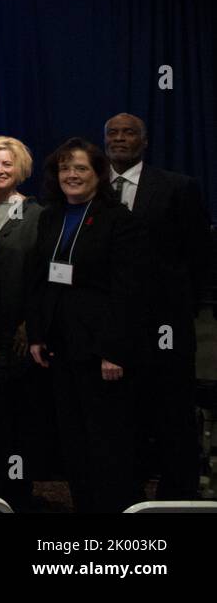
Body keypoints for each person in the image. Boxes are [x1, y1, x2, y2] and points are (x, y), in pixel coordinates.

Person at [28, 138, 147, 513]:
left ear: (99, 174)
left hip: (101, 352)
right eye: (65, 168)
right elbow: (38, 280)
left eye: (81, 168)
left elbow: (128, 292)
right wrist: (36, 335)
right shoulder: (50, 216)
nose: (72, 175)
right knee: (74, 441)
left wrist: (113, 350)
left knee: (107, 441)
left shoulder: (119, 220)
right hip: (59, 346)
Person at [105, 113, 212, 500]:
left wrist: (183, 310)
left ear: (144, 142)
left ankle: (178, 498)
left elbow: (199, 256)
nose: (120, 139)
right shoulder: (89, 185)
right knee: (121, 419)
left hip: (166, 326)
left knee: (172, 416)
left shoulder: (177, 188)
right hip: (111, 327)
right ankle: (124, 497)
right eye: (113, 133)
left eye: (128, 133)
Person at [0, 136, 44, 510]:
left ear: (20, 170)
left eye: (7, 165)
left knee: (20, 418)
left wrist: (29, 325)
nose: (0, 171)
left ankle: (17, 492)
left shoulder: (37, 215)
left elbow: (41, 278)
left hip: (18, 333)